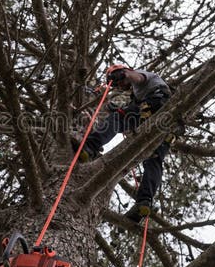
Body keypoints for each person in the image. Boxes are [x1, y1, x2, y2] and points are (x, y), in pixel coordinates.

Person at [76, 65, 181, 223]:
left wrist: (123, 74)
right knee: (154, 159)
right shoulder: (136, 95)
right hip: (168, 124)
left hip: (155, 104)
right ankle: (144, 203)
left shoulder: (141, 77)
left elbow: (136, 78)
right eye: (117, 85)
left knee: (117, 119)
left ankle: (90, 146)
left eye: (118, 82)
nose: (120, 86)